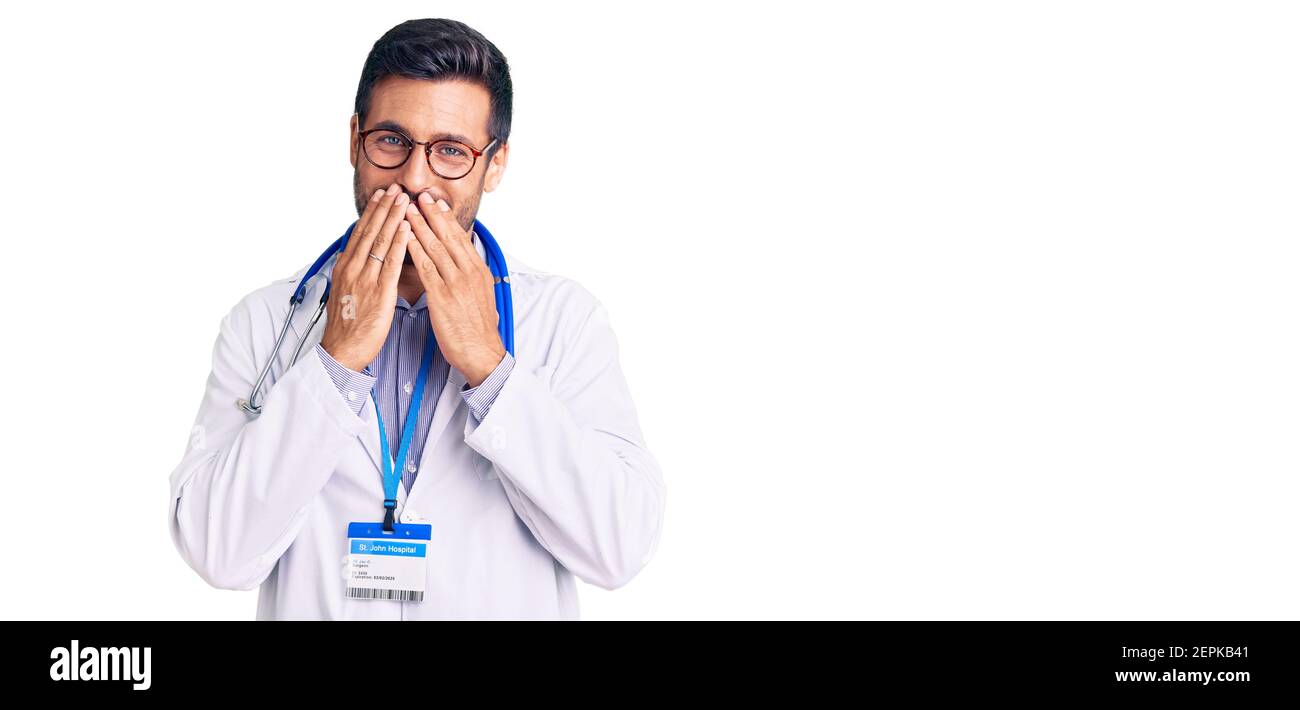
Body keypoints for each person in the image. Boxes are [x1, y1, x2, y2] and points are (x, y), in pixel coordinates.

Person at [167, 18, 666, 620]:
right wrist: (334, 364)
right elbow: (215, 552)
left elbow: (621, 548)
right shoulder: (267, 322)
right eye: (390, 140)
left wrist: (491, 368)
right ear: (354, 140)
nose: (413, 177)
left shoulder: (563, 321)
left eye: (451, 151)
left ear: (496, 164)